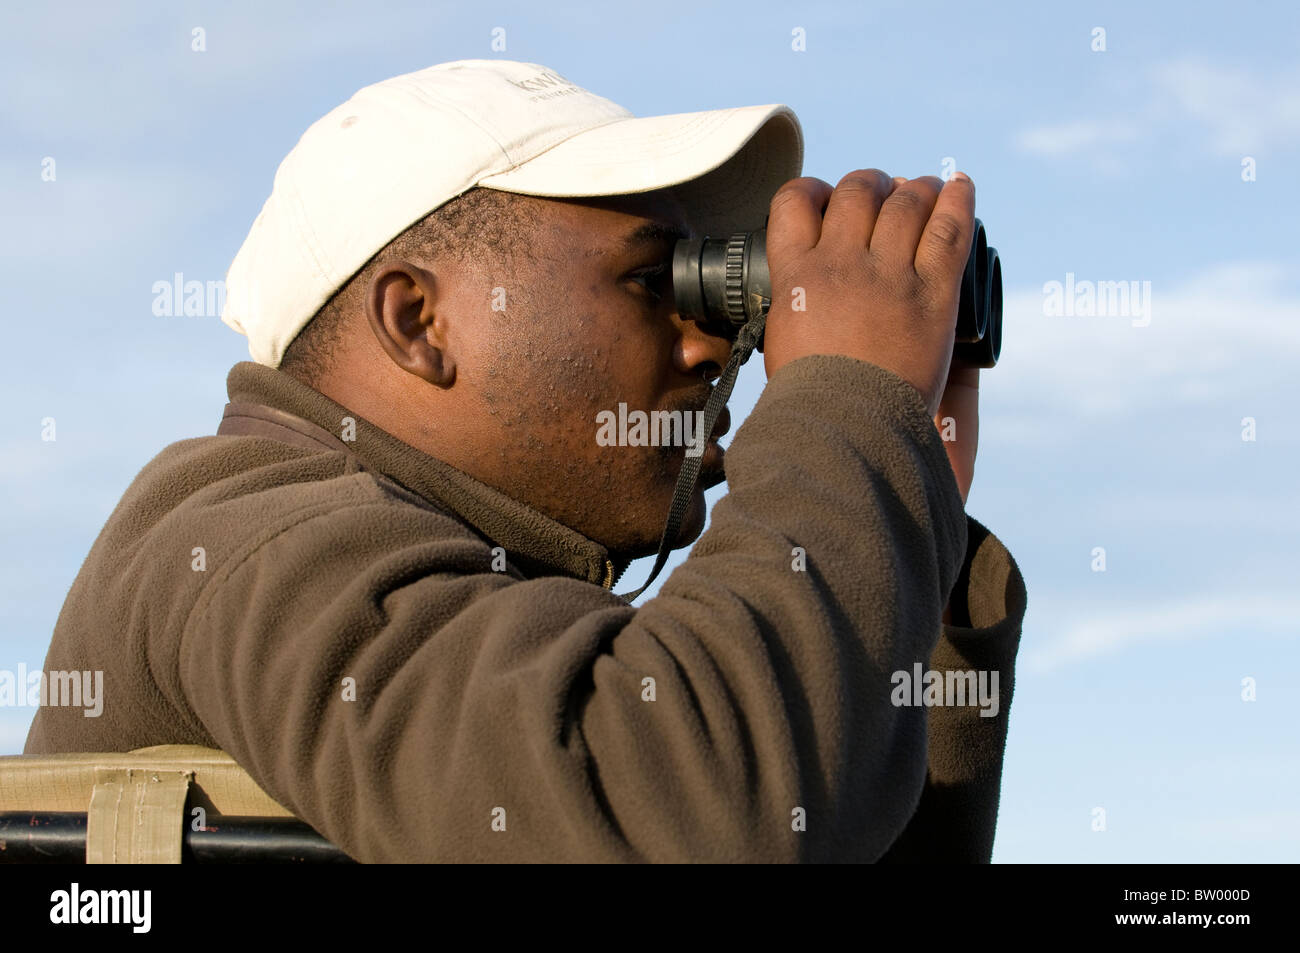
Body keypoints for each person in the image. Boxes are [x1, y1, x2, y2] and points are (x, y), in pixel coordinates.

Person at [26, 59, 1026, 862]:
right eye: (653, 280)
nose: (716, 345)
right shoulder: (242, 533)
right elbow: (693, 814)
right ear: (419, 320)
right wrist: (844, 404)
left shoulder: (488, 604)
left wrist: (905, 514)